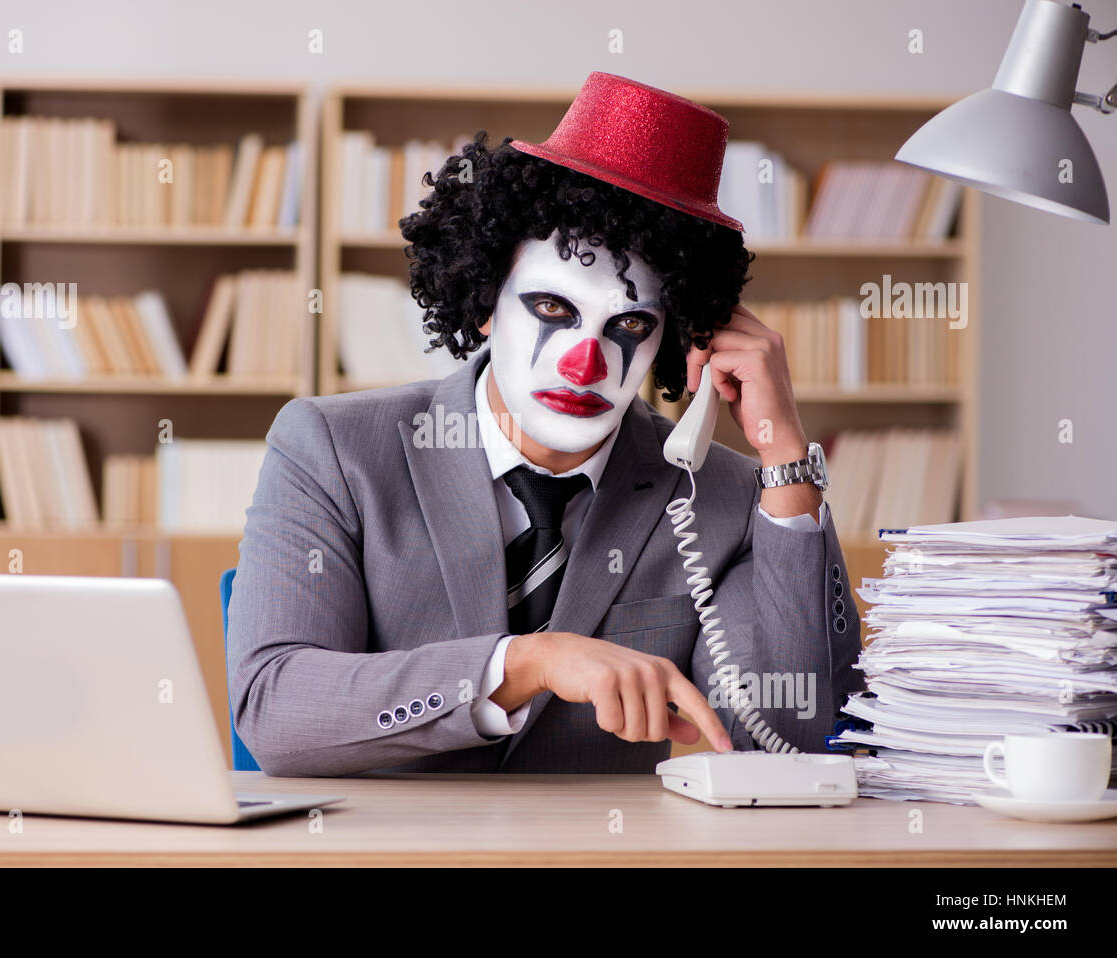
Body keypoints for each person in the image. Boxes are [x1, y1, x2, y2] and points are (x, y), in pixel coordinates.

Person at [227, 71, 865, 776]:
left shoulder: (730, 501)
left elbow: (782, 746)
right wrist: (525, 662)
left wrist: (786, 463)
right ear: (484, 301)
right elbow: (275, 710)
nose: (585, 362)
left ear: (680, 339)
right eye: (554, 310)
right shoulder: (333, 449)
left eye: (628, 324)